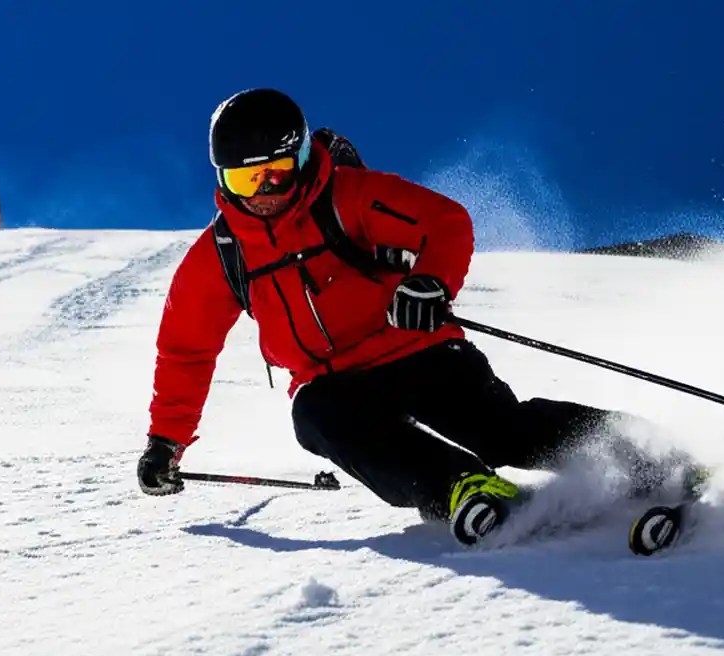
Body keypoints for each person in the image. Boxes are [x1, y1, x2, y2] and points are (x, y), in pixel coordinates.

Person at [137, 88, 686, 546]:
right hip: (334, 383)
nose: (264, 194)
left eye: (276, 174)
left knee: (499, 431)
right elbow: (187, 347)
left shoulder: (349, 197)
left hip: (415, 347)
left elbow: (444, 223)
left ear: (301, 158)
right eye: (244, 181)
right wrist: (167, 441)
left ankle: (650, 456)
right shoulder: (222, 253)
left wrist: (430, 283)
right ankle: (459, 487)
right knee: (316, 418)